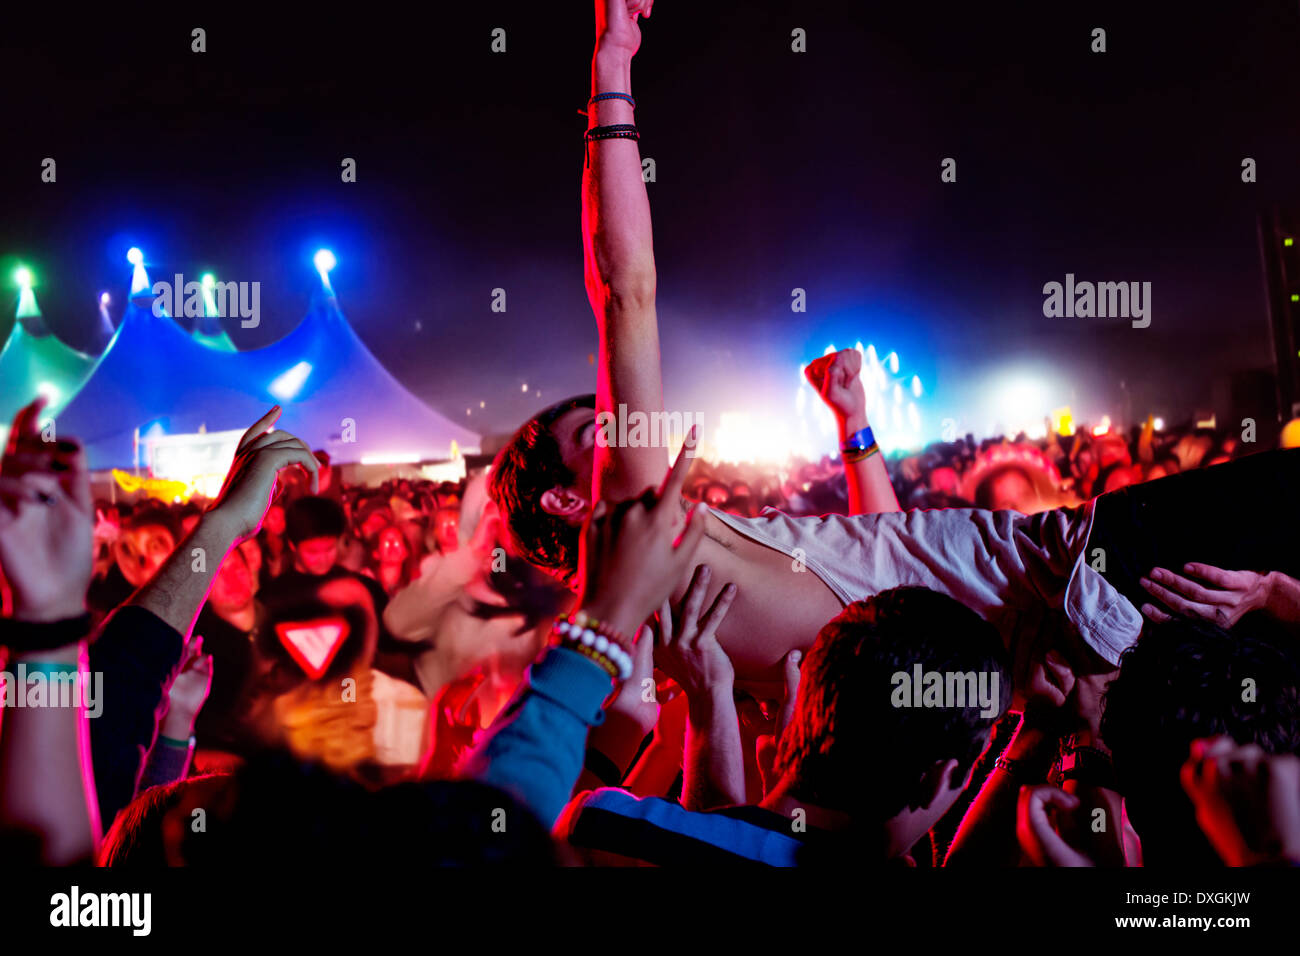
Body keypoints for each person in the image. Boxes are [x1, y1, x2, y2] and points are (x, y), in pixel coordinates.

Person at [464, 439, 1011, 865]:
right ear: (942, 777)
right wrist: (709, 702)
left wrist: (602, 630)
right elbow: (722, 838)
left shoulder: (611, 833)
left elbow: (496, 835)